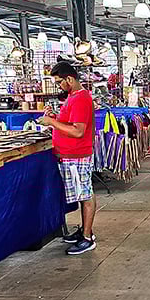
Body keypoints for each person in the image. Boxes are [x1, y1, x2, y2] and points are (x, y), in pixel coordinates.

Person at [39, 61, 97, 255]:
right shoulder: (73, 97)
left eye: (58, 82)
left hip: (78, 156)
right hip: (69, 155)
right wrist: (55, 116)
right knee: (81, 195)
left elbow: (78, 131)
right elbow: (70, 122)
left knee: (85, 194)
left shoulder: (81, 98)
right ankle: (85, 231)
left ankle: (88, 238)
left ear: (69, 79)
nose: (58, 86)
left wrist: (52, 122)